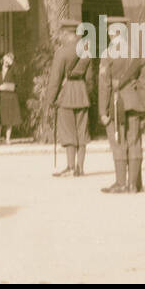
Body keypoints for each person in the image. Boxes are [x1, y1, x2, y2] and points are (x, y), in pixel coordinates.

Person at [99, 43, 145, 194]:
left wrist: (103, 111)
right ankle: (133, 185)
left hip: (116, 103)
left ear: (110, 33)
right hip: (135, 102)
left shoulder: (108, 53)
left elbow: (104, 84)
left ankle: (121, 183)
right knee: (134, 141)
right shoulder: (137, 52)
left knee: (118, 142)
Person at [47, 19, 90, 177]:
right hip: (82, 93)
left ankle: (71, 167)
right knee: (82, 132)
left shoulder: (62, 52)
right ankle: (81, 168)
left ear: (66, 34)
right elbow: (90, 77)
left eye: (62, 34)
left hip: (66, 96)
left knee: (68, 132)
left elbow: (55, 79)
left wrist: (50, 100)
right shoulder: (86, 51)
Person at [0, 52, 21, 144]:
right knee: (0, 119)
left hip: (10, 97)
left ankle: (7, 139)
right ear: (2, 60)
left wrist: (12, 63)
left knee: (9, 119)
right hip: (0, 97)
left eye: (8, 60)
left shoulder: (13, 69)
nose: (6, 62)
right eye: (5, 59)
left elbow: (18, 75)